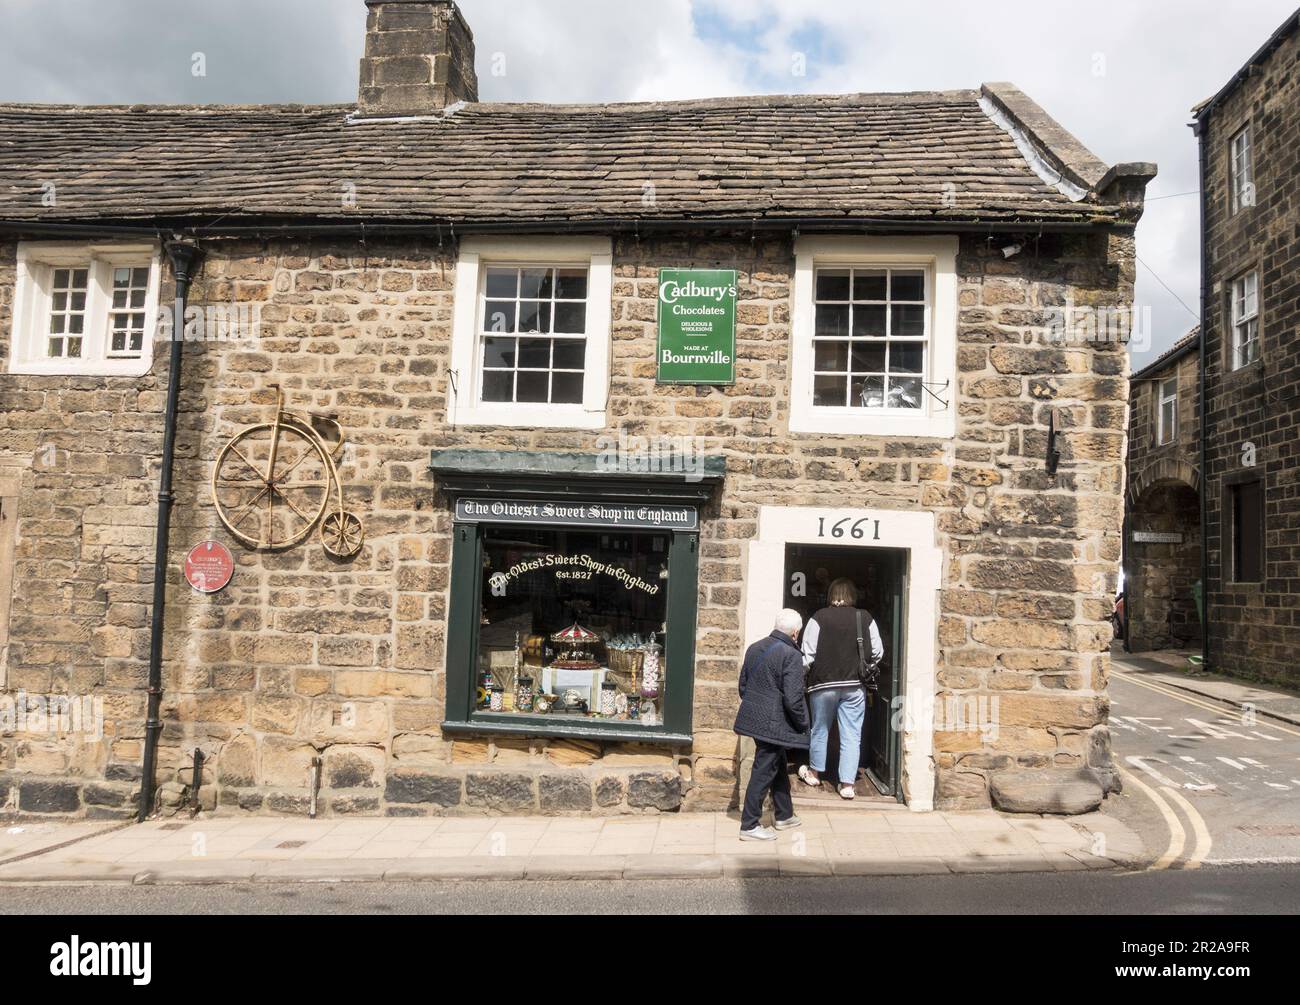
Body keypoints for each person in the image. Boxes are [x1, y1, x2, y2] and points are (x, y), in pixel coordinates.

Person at [798, 578, 883, 800]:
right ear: (853, 595)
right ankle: (847, 785)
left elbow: (808, 654)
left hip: (823, 683)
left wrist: (803, 675)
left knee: (820, 729)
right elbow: (878, 651)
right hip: (855, 685)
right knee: (852, 734)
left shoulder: (819, 617)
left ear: (831, 595)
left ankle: (815, 772)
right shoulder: (864, 617)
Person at [733, 609, 809, 840]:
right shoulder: (792, 655)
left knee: (776, 762)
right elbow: (793, 698)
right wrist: (804, 723)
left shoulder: (754, 647)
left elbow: (743, 686)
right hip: (774, 723)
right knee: (764, 769)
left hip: (755, 718)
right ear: (796, 632)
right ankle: (749, 824)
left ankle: (784, 814)